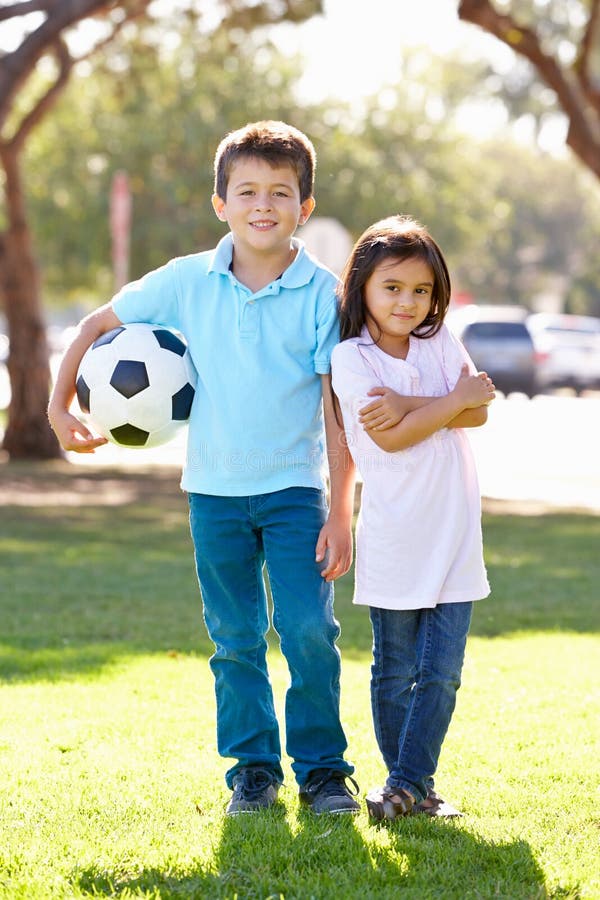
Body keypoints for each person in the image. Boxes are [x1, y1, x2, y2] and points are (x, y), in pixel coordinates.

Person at [48, 120, 359, 817]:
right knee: (235, 638)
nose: (263, 205)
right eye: (246, 190)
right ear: (220, 203)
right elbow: (95, 323)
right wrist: (56, 404)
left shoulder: (322, 293)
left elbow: (337, 411)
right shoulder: (189, 280)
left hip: (294, 492)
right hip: (213, 493)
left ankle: (323, 771)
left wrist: (342, 509)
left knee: (309, 629)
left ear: (304, 207)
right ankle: (253, 771)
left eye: (281, 192)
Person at [330, 215, 495, 821]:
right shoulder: (351, 358)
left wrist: (421, 404)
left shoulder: (440, 340)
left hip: (454, 533)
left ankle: (404, 785)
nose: (407, 302)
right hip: (396, 534)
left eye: (421, 290)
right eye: (392, 287)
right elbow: (395, 437)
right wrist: (448, 401)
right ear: (363, 289)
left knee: (444, 672)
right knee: (396, 670)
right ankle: (413, 790)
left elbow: (479, 411)